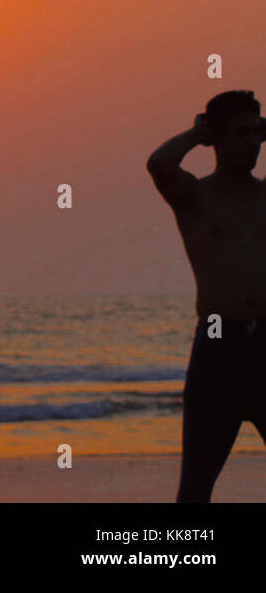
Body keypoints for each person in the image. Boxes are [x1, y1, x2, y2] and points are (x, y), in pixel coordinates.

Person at [146, 90, 266, 502]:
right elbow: (159, 163)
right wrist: (198, 134)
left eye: (257, 132)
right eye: (240, 133)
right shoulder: (196, 197)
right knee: (196, 485)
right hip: (220, 348)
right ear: (218, 138)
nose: (251, 142)